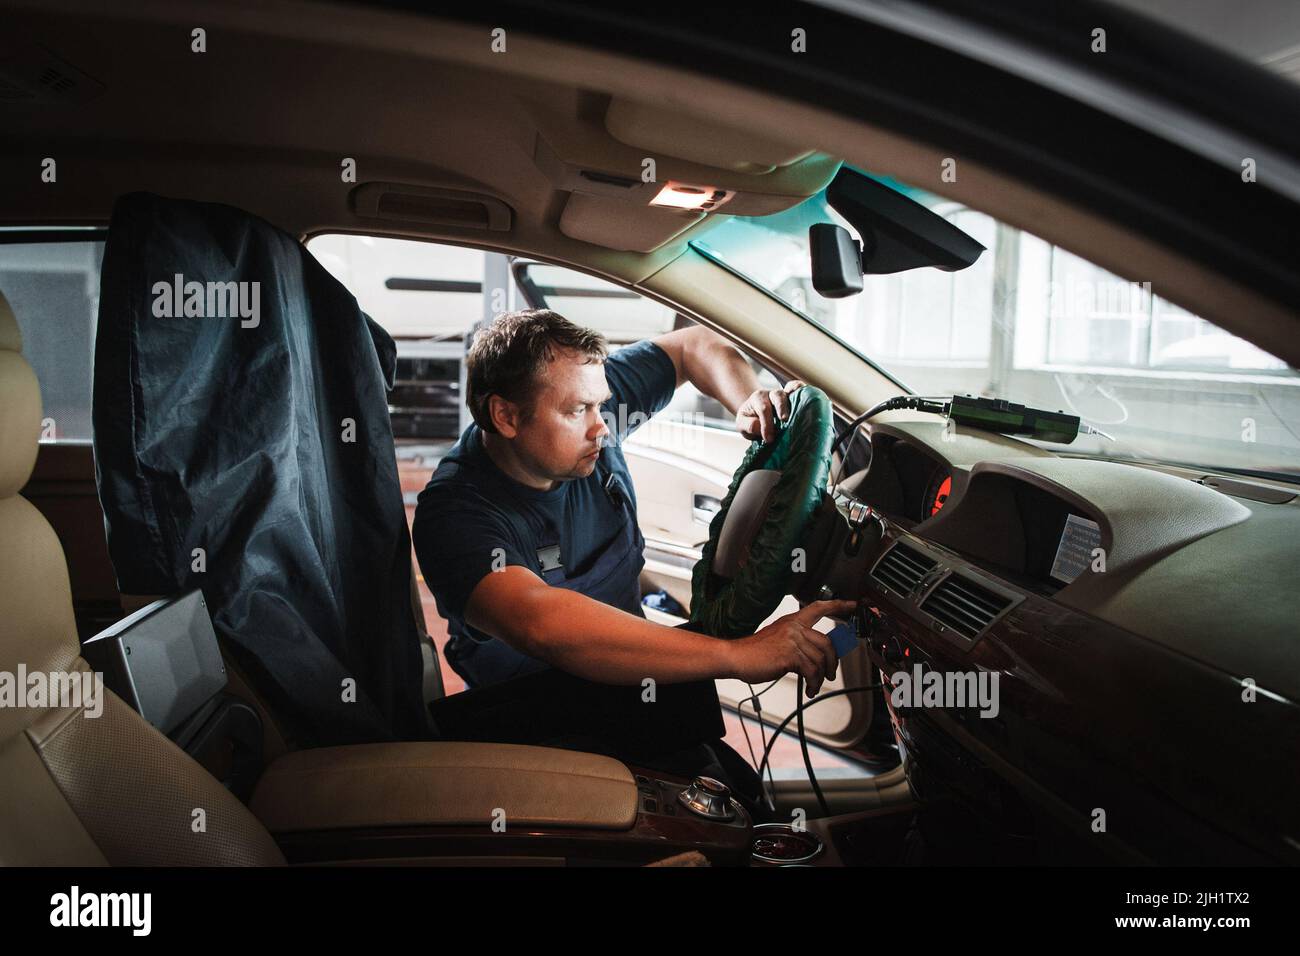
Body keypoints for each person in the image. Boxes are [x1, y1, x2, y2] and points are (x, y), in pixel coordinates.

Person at [412, 310, 852, 794]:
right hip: (542, 729)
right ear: (506, 415)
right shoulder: (456, 513)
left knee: (744, 795)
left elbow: (694, 345)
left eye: (601, 405)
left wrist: (746, 401)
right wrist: (735, 655)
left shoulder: (593, 403)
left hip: (630, 688)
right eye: (577, 411)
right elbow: (544, 625)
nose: (602, 427)